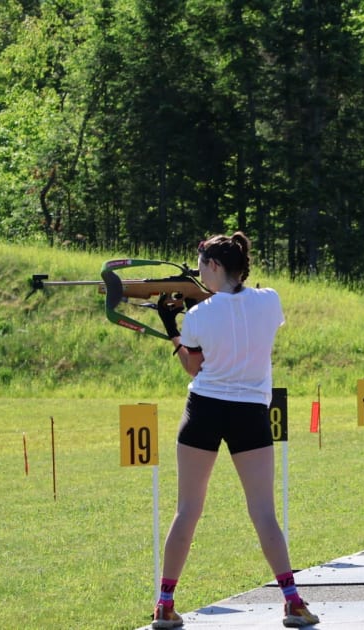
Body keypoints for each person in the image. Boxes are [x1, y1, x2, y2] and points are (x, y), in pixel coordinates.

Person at [151, 233, 318, 629]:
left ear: (213, 266)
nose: (197, 273)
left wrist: (171, 325)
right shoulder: (270, 300)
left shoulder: (198, 316)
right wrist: (205, 304)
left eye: (200, 265)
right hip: (250, 412)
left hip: (204, 409)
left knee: (187, 511)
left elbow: (194, 366)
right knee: (263, 512)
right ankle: (292, 601)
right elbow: (240, 315)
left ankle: (165, 603)